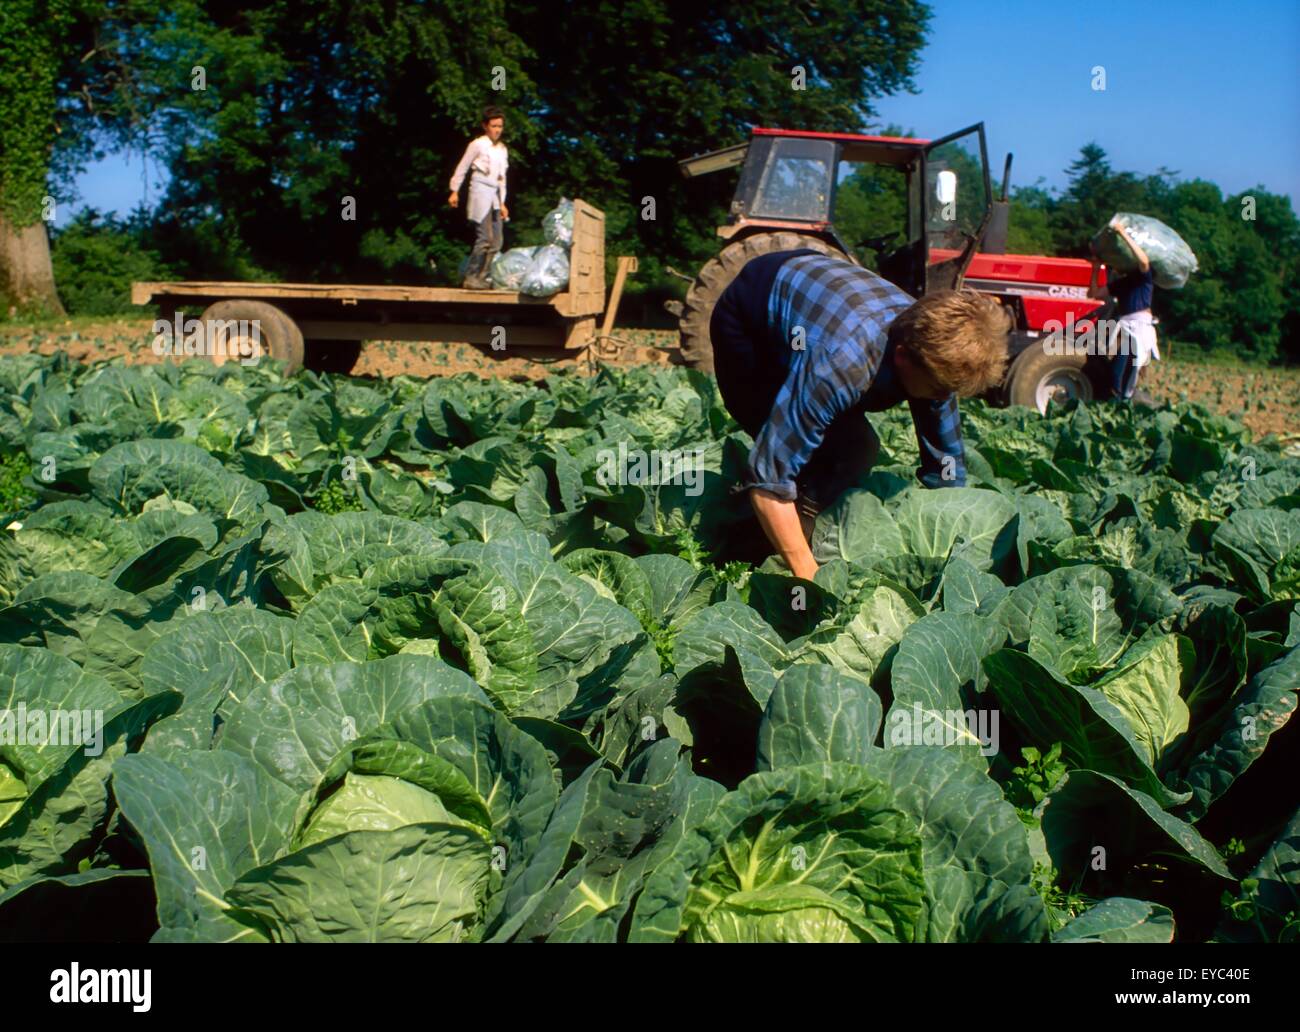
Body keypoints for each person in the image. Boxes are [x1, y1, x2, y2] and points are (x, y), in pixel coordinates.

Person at [709, 248, 1010, 580]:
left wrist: (949, 539)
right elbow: (769, 480)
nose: (942, 399)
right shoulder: (841, 363)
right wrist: (812, 579)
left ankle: (797, 526)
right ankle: (745, 556)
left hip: (821, 302)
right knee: (829, 453)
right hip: (751, 321)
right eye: (939, 389)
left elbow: (947, 472)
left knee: (854, 448)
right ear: (902, 357)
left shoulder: (935, 361)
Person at [1091, 217, 1158, 401]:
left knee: (1121, 372)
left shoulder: (1143, 278)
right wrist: (1095, 270)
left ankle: (1122, 404)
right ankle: (1119, 402)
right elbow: (1095, 294)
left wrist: (1123, 233)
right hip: (1128, 330)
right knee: (1118, 371)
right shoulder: (1120, 284)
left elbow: (1144, 261)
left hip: (1139, 329)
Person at [448, 106, 510, 289]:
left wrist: (503, 202)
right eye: (494, 126)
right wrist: (454, 190)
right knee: (485, 237)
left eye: (500, 126)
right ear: (485, 126)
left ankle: (483, 277)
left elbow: (502, 178)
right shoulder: (477, 144)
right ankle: (472, 276)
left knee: (497, 241)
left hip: (495, 195)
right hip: (480, 190)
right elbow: (463, 167)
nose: (497, 130)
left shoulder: (502, 149)